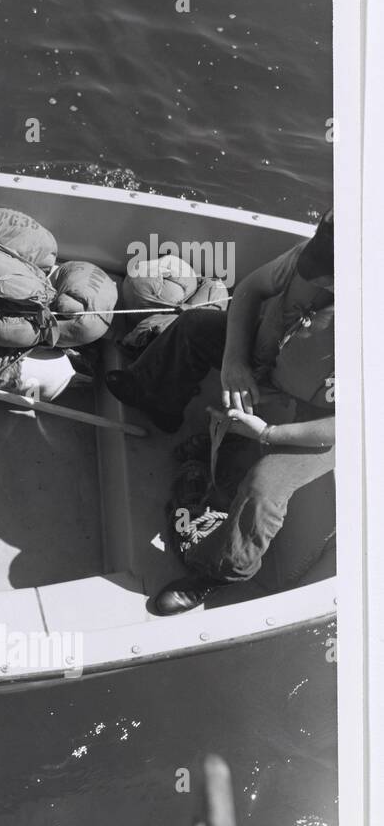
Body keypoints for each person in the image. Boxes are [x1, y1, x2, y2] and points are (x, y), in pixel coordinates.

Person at [105, 209, 335, 614]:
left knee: (264, 488)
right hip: (265, 366)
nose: (317, 279)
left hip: (313, 422)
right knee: (195, 327)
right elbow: (250, 288)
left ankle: (217, 574)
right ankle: (155, 398)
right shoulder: (315, 254)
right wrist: (234, 361)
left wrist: (265, 433)